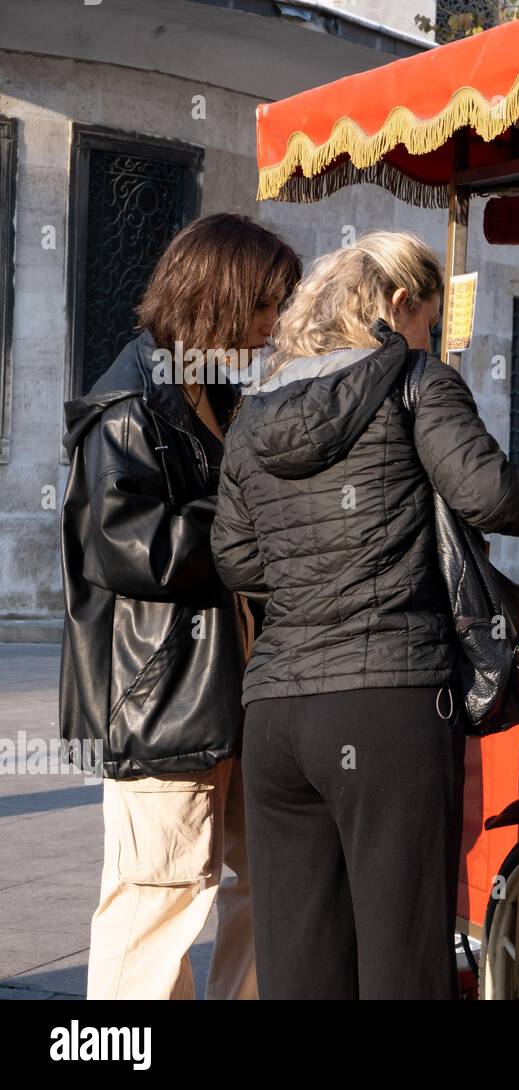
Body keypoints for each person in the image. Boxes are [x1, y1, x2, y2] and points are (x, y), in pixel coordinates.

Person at [211, 231, 519, 1000]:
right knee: (403, 962)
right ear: (396, 304)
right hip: (388, 706)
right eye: (428, 323)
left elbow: (238, 560)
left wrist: (312, 579)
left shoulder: (255, 413)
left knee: (301, 969)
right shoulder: (417, 383)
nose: (432, 341)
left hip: (279, 720)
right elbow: (488, 493)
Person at [60, 212, 301, 999]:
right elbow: (125, 546)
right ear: (222, 301)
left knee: (270, 887)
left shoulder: (217, 392)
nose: (273, 325)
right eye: (266, 306)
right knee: (157, 904)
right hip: (163, 700)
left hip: (234, 693)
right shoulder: (128, 406)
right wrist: (242, 521)